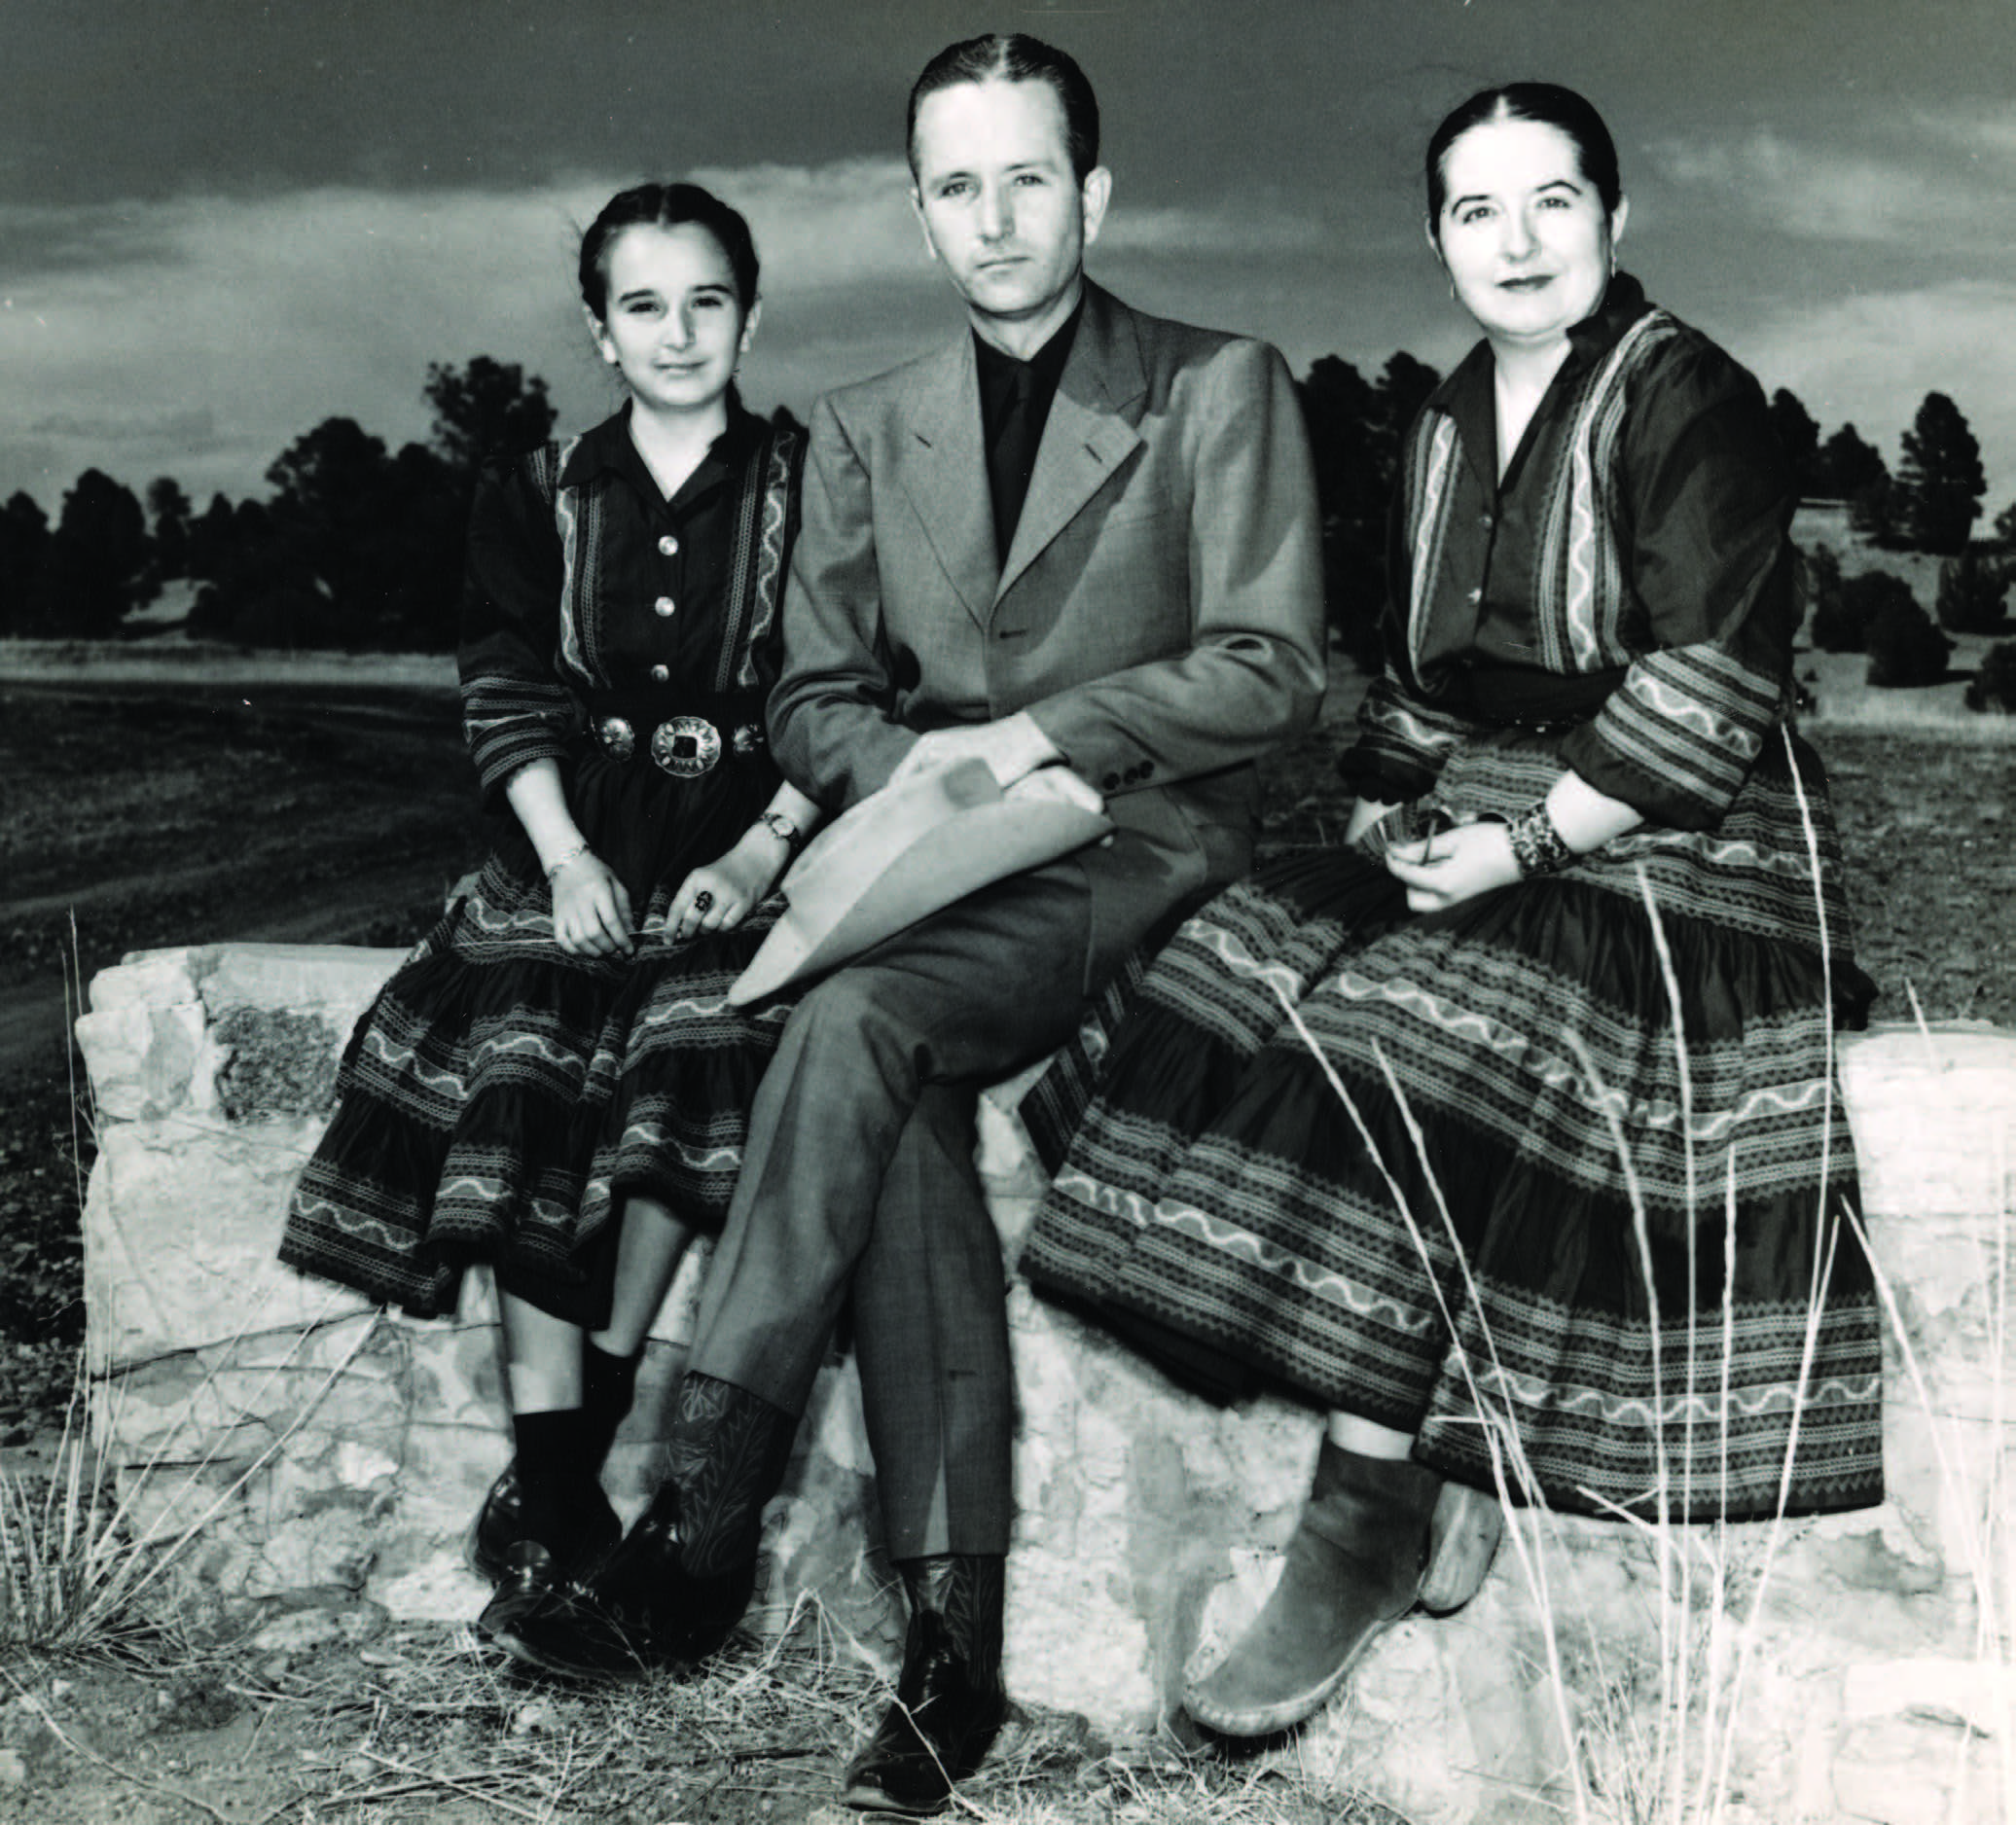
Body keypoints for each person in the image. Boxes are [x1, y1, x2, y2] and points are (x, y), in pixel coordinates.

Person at [500, 32, 1326, 1816]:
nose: (996, 216)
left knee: (848, 1025)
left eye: (1030, 176)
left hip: (1144, 846)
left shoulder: (1220, 383)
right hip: (936, 861)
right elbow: (809, 701)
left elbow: (1269, 670)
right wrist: (941, 775)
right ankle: (954, 1666)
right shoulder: (871, 423)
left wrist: (1044, 741)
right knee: (898, 1123)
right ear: (919, 210)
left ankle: (701, 1519)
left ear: (1093, 194)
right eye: (957, 185)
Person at [1018, 82, 1885, 1738]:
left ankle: (1365, 1514)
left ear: (1615, 221)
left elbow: (1711, 684)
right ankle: (1456, 1432)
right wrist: (1393, 807)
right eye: (1478, 214)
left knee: (1430, 1030)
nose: (1518, 243)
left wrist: (1521, 848)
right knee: (1229, 964)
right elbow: (1424, 685)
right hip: (1497, 806)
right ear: (1437, 243)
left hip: (1686, 830)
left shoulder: (1685, 393)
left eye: (1553, 203)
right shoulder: (1434, 419)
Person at [279, 181, 818, 1641]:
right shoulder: (538, 487)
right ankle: (554, 1482)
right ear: (600, 328)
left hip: (734, 844)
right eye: (643, 305)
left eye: (708, 300)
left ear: (750, 313)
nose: (679, 331)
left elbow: (845, 698)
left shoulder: (814, 482)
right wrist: (568, 861)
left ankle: (579, 1442)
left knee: (688, 1062)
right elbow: (507, 688)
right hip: (565, 838)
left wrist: (768, 851)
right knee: (525, 1059)